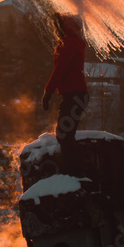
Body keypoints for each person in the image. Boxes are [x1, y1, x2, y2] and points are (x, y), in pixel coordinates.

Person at [40, 12, 89, 158]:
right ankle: (74, 170)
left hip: (75, 95)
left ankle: (75, 172)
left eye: (59, 25)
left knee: (64, 135)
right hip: (75, 95)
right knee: (65, 135)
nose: (56, 29)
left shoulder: (70, 43)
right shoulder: (71, 42)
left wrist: (48, 92)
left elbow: (60, 69)